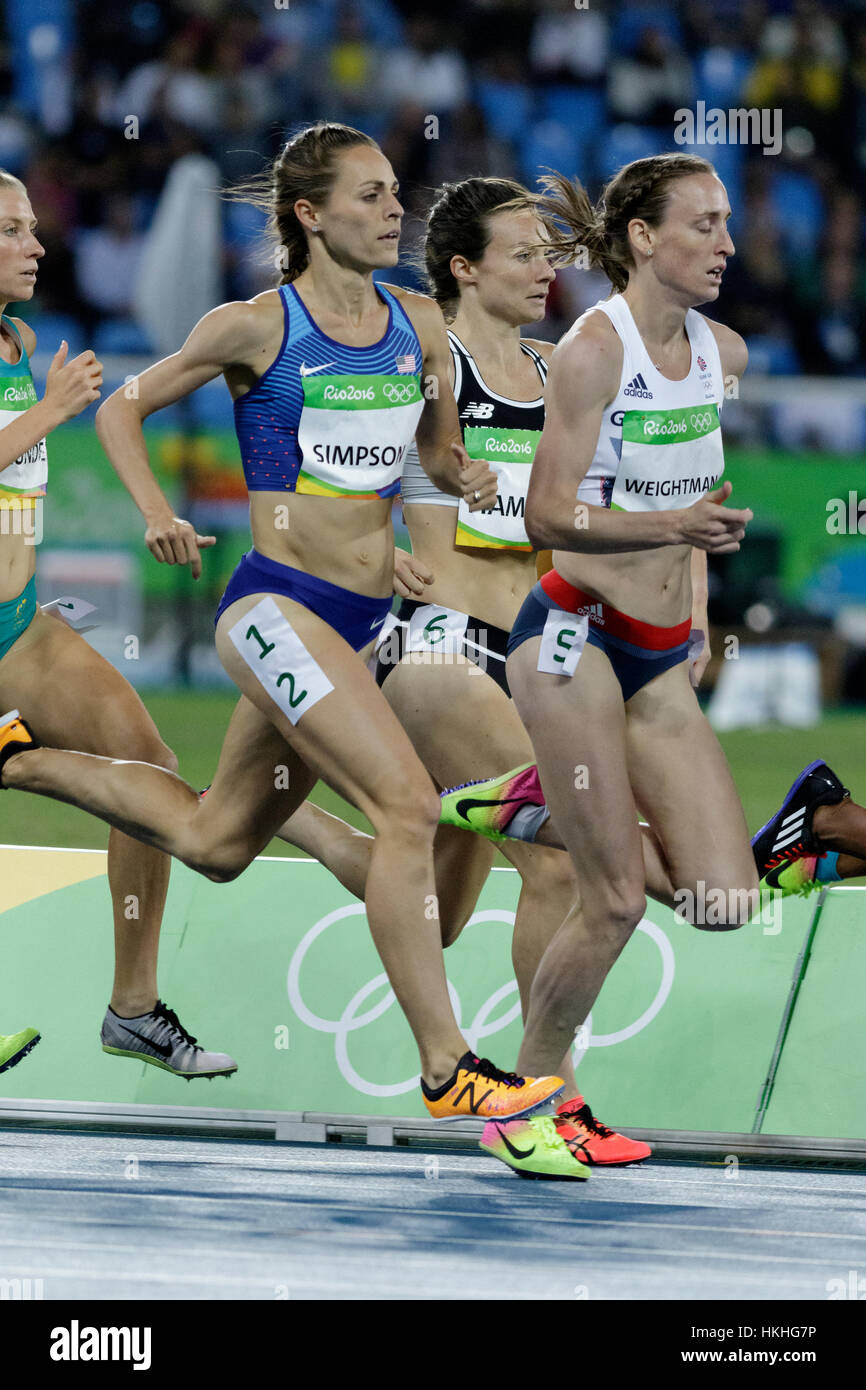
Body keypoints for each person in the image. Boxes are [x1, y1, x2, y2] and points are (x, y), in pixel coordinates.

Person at [0, 125, 564, 1125]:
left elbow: (433, 450)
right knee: (404, 805)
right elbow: (126, 407)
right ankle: (447, 1067)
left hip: (358, 622)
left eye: (397, 193)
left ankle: (22, 763)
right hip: (271, 609)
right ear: (308, 215)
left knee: (217, 841)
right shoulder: (254, 326)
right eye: (369, 196)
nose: (396, 211)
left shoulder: (420, 324)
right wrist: (158, 513)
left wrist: (460, 475)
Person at [440, 152, 849, 1173]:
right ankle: (525, 1103)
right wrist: (671, 527)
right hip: (572, 636)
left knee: (723, 900)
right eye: (702, 225)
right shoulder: (589, 350)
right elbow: (544, 515)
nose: (725, 243)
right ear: (639, 239)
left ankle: (529, 798)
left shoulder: (724, 352)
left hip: (660, 657)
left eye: (724, 224)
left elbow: (693, 481)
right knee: (614, 897)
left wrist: (698, 603)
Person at [277, 176, 648, 1172]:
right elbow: (324, 459)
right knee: (558, 858)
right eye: (522, 254)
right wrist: (359, 553)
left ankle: (288, 813)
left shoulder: (551, 372)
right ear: (461, 268)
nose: (544, 269)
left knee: (431, 909)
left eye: (548, 253)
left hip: (524, 649)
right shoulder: (416, 354)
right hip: (430, 644)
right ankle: (538, 1103)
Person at [0, 168, 234, 1080]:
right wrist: (51, 414)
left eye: (31, 226)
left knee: (151, 771)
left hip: (20, 627)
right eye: (13, 230)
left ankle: (133, 1008)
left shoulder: (16, 339)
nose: (36, 244)